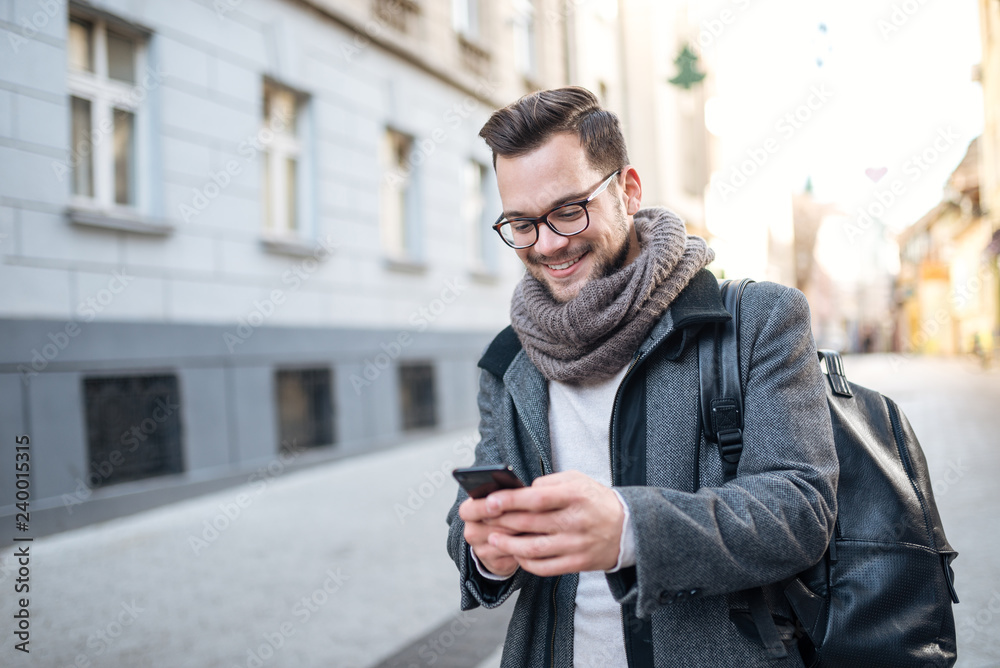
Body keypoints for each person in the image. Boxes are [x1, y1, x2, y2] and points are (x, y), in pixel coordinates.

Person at [445, 86, 839, 667]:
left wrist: (631, 529)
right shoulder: (509, 361)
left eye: (569, 211)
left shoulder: (757, 321)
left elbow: (801, 511)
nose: (548, 244)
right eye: (522, 223)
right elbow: (468, 529)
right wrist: (487, 552)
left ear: (628, 190)